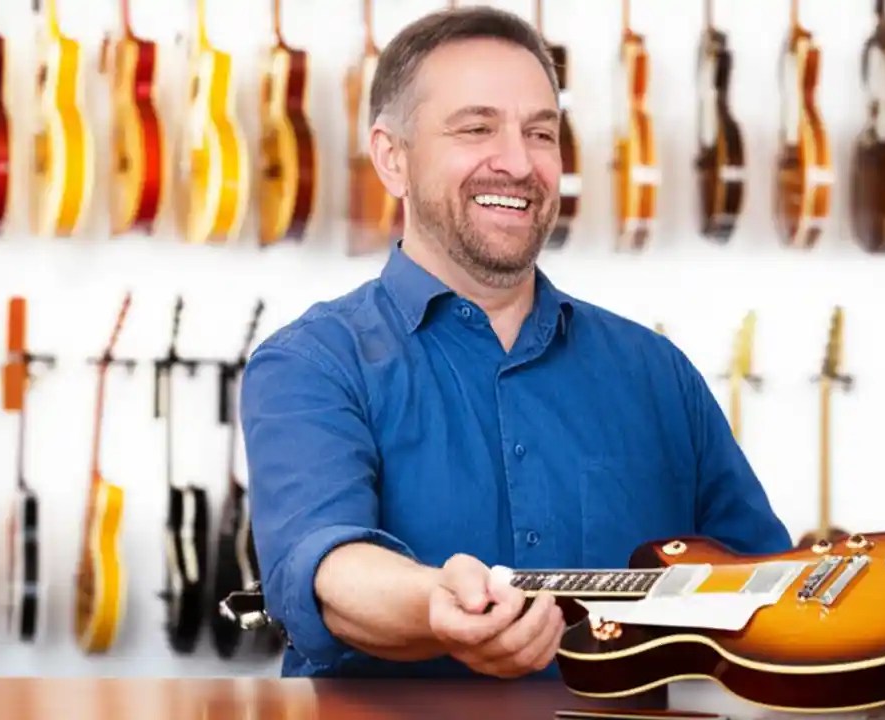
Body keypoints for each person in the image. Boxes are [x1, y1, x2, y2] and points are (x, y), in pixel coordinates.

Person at [238, 6, 792, 680]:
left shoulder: (658, 375)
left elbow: (766, 594)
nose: (518, 162)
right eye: (476, 128)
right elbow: (326, 571)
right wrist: (436, 605)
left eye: (541, 133)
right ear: (392, 159)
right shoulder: (311, 365)